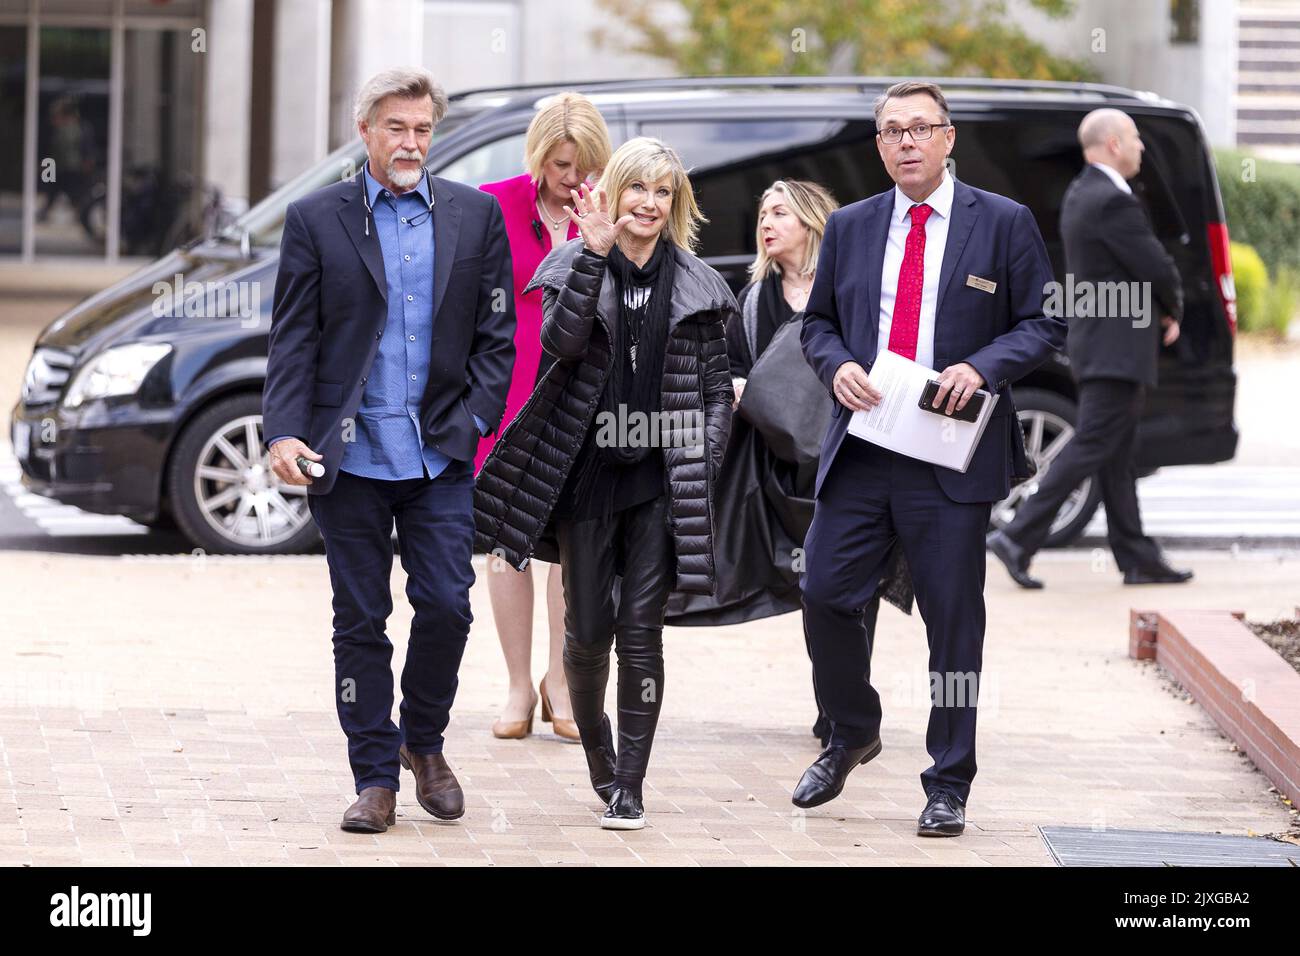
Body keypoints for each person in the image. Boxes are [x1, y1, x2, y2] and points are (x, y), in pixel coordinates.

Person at [795, 81, 1066, 837]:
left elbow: (1046, 321)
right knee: (823, 590)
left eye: (919, 128)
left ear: (949, 138)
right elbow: (817, 326)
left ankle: (948, 781)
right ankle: (851, 730)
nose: (905, 142)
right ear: (878, 145)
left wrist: (982, 366)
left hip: (950, 457)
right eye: (890, 131)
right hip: (865, 445)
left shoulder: (1002, 223)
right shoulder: (850, 226)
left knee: (953, 626)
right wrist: (836, 365)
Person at [262, 67, 515, 833]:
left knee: (447, 605)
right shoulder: (317, 219)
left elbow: (495, 339)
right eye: (397, 127)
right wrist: (282, 431)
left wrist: (473, 421)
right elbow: (294, 339)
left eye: (423, 128)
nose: (412, 142)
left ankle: (424, 741)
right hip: (350, 458)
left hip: (440, 455)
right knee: (360, 618)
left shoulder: (476, 217)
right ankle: (375, 775)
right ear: (365, 131)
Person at [474, 137, 735, 830]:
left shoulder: (701, 284)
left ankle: (630, 783)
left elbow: (715, 390)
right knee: (587, 634)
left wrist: (703, 455)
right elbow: (559, 343)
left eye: (662, 192)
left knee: (641, 631)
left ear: (675, 203)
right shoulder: (575, 262)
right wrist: (591, 256)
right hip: (586, 477)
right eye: (637, 189)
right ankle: (598, 755)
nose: (648, 203)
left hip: (658, 479)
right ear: (614, 195)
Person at [665, 179, 914, 749]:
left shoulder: (850, 289)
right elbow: (728, 364)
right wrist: (734, 383)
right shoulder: (752, 299)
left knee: (858, 580)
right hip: (779, 462)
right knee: (814, 583)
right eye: (763, 214)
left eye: (780, 212)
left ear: (811, 221)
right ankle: (834, 696)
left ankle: (841, 705)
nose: (766, 224)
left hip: (848, 452)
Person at [987, 108, 1191, 589]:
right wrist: (1173, 307)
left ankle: (1137, 557)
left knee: (1118, 453)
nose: (1142, 147)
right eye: (1136, 138)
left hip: (1103, 344)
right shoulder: (1111, 200)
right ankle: (1017, 535)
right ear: (1115, 144)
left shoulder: (1083, 193)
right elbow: (1154, 263)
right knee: (1094, 443)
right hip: (1116, 348)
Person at [477, 93, 613, 742]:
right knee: (509, 548)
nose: (571, 178)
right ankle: (513, 684)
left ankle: (560, 682)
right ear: (538, 156)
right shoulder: (493, 205)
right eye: (560, 164)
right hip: (508, 400)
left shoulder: (611, 205)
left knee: (570, 551)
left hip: (584, 402)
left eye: (584, 165)